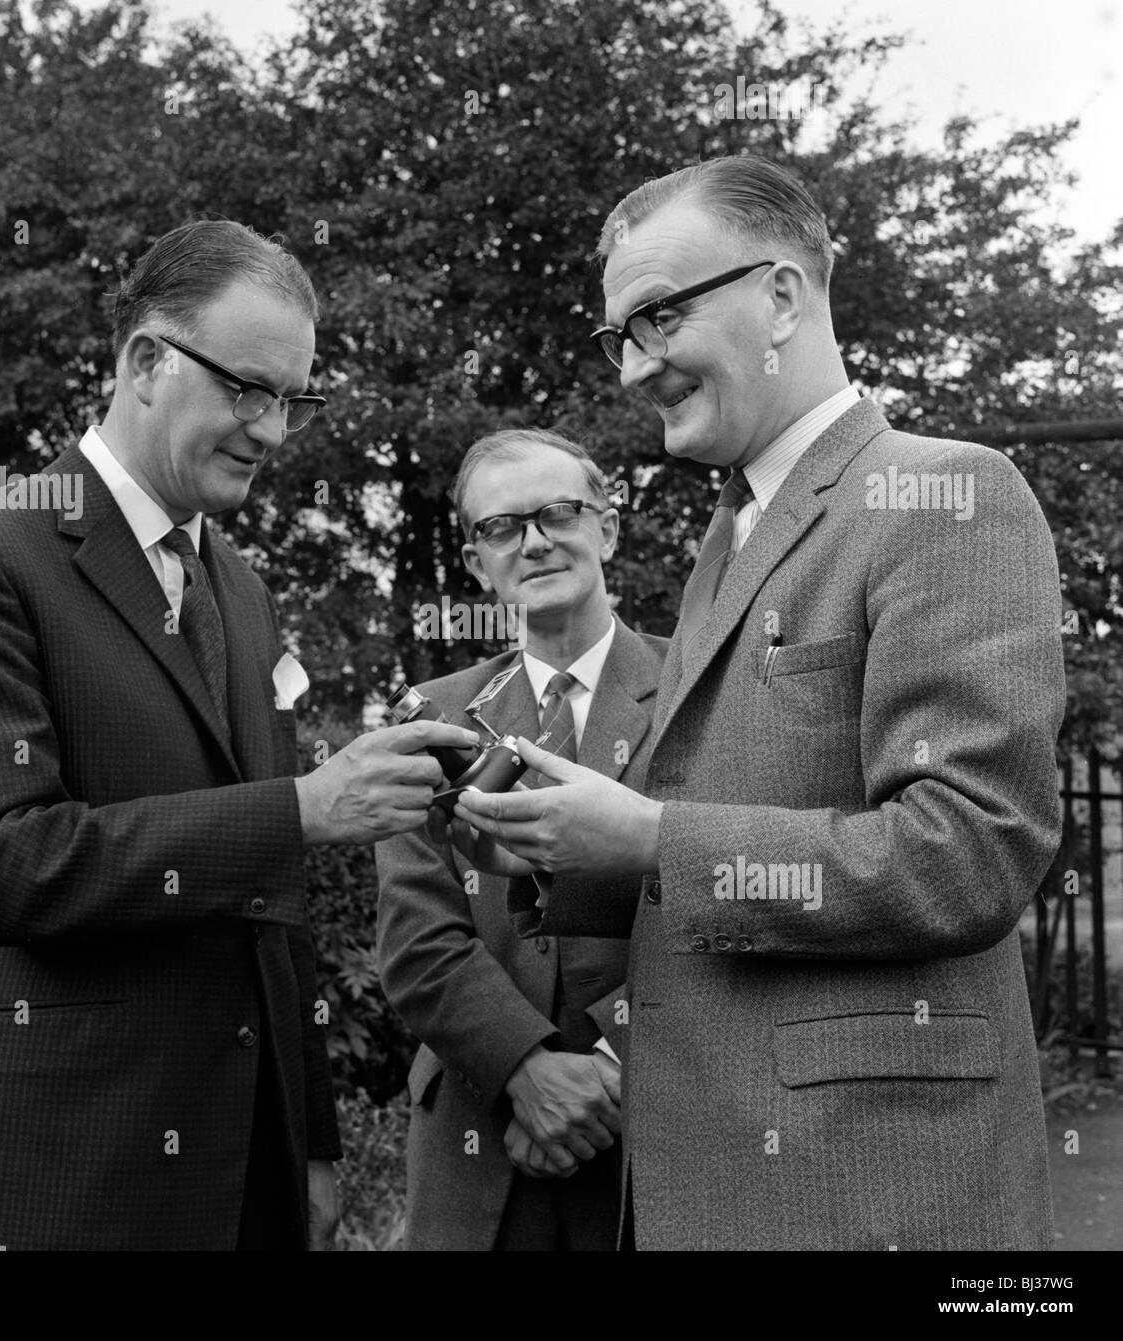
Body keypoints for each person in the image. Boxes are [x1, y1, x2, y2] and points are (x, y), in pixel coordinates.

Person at [451, 157, 1065, 1250]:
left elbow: (969, 851)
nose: (635, 368)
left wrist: (648, 837)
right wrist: (561, 846)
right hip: (712, 1178)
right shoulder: (728, 537)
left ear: (781, 295)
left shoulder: (945, 494)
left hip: (863, 1186)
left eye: (658, 317)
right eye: (619, 336)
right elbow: (729, 812)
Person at [0, 219, 479, 1251]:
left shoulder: (239, 585)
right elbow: (4, 866)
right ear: (144, 362)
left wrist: (311, 1139)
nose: (273, 430)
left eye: (292, 400)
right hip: (65, 1172)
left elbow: (266, 894)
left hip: (246, 1166)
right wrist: (305, 807)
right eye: (247, 390)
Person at [375, 429, 668, 1250]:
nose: (535, 540)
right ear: (477, 564)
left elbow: (716, 901)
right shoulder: (429, 716)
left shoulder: (699, 695)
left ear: (606, 526)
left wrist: (610, 1067)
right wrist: (524, 1067)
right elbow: (416, 938)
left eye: (558, 512)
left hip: (658, 1138)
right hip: (479, 1130)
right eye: (503, 527)